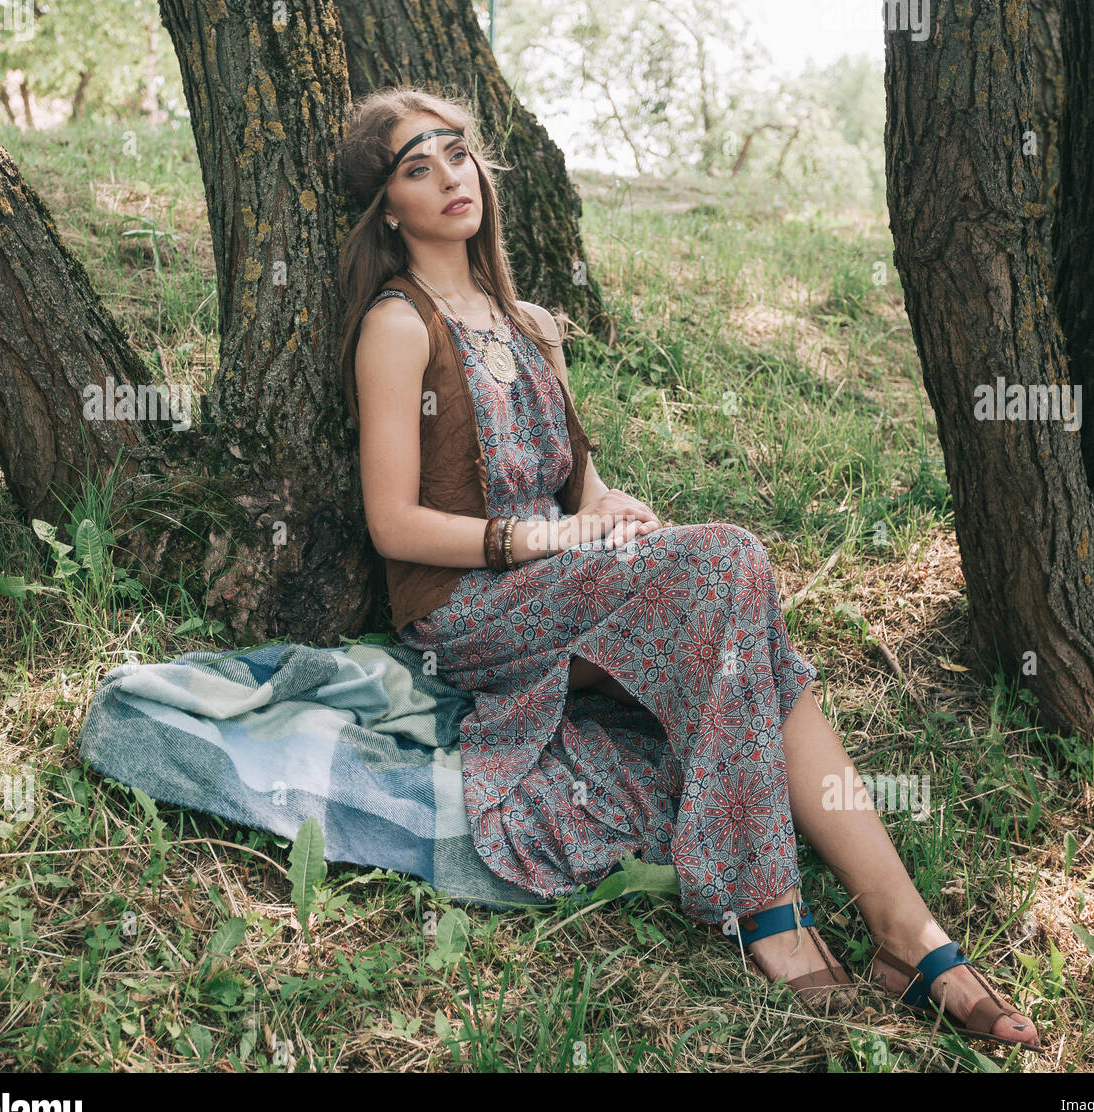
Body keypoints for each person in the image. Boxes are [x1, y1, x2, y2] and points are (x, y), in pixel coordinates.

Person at [336, 86, 1043, 1054]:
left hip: (563, 581)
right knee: (728, 563)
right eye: (416, 168)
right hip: (472, 608)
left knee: (734, 617)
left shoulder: (530, 322)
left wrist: (609, 510)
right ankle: (771, 905)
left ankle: (904, 929)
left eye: (456, 154)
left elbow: (577, 483)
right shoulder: (398, 325)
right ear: (387, 206)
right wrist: (535, 540)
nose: (449, 178)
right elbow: (392, 525)